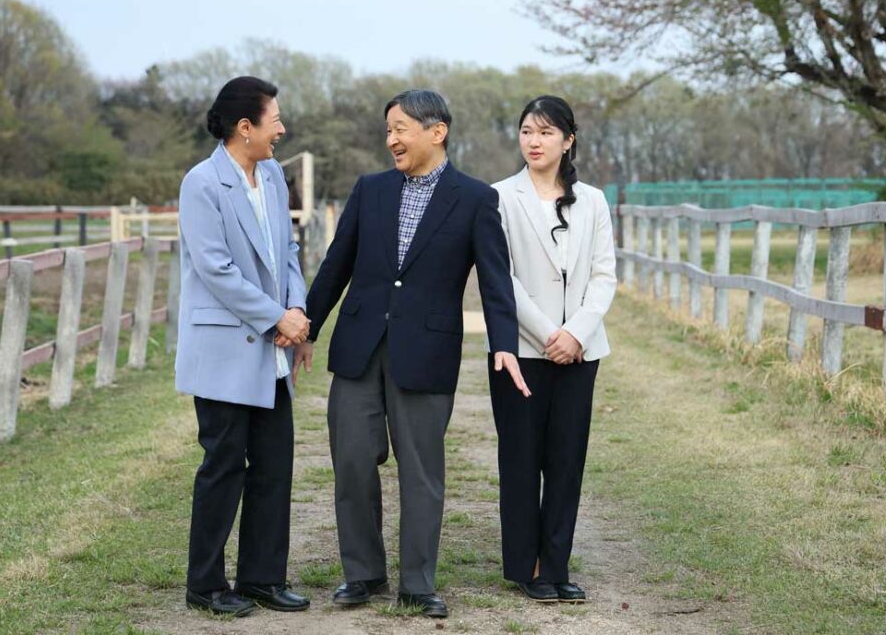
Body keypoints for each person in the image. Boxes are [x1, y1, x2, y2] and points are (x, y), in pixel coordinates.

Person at [297, 89, 530, 620]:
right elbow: (337, 264)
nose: (391, 140)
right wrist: (308, 324)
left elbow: (495, 282)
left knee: (421, 472)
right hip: (358, 349)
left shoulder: (474, 199)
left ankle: (418, 583)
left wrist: (506, 346)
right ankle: (363, 574)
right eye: (387, 131)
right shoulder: (370, 190)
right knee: (352, 461)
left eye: (400, 128)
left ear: (437, 131)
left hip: (426, 353)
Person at [176, 76, 313, 617]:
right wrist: (276, 314)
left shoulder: (274, 175)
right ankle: (205, 583)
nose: (281, 128)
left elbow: (288, 249)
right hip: (225, 349)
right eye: (274, 118)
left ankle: (262, 578)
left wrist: (297, 314)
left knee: (274, 466)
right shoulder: (201, 183)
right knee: (224, 465)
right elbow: (215, 269)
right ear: (244, 127)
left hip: (274, 348)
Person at [488, 95, 616, 604]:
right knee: (521, 459)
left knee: (567, 460)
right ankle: (527, 566)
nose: (534, 141)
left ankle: (557, 565)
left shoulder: (595, 201)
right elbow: (503, 279)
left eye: (544, 132)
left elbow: (605, 275)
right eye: (526, 131)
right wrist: (549, 334)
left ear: (568, 139)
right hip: (522, 351)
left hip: (581, 352)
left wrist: (577, 333)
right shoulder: (498, 197)